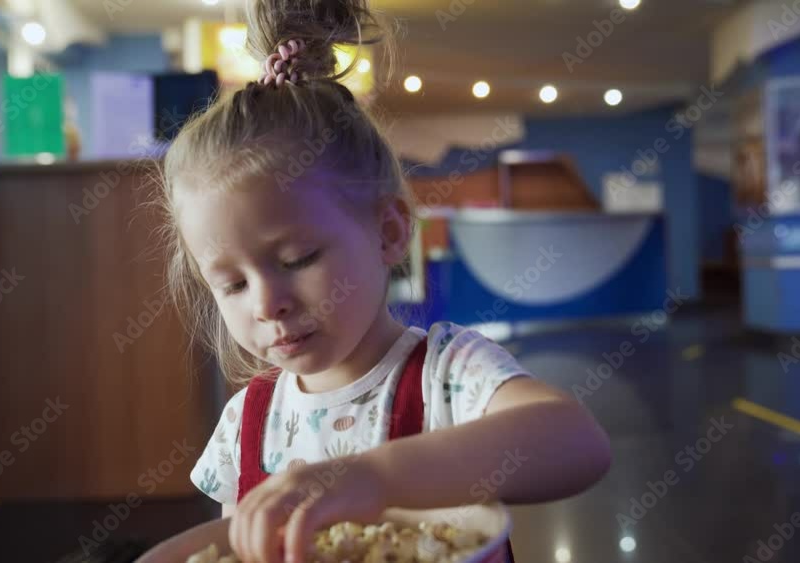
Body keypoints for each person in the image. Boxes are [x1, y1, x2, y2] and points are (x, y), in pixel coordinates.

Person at [142, 1, 611, 561]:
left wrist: (375, 478)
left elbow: (577, 443)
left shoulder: (448, 377)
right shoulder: (245, 423)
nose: (268, 303)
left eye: (297, 258)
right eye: (232, 285)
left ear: (388, 232)